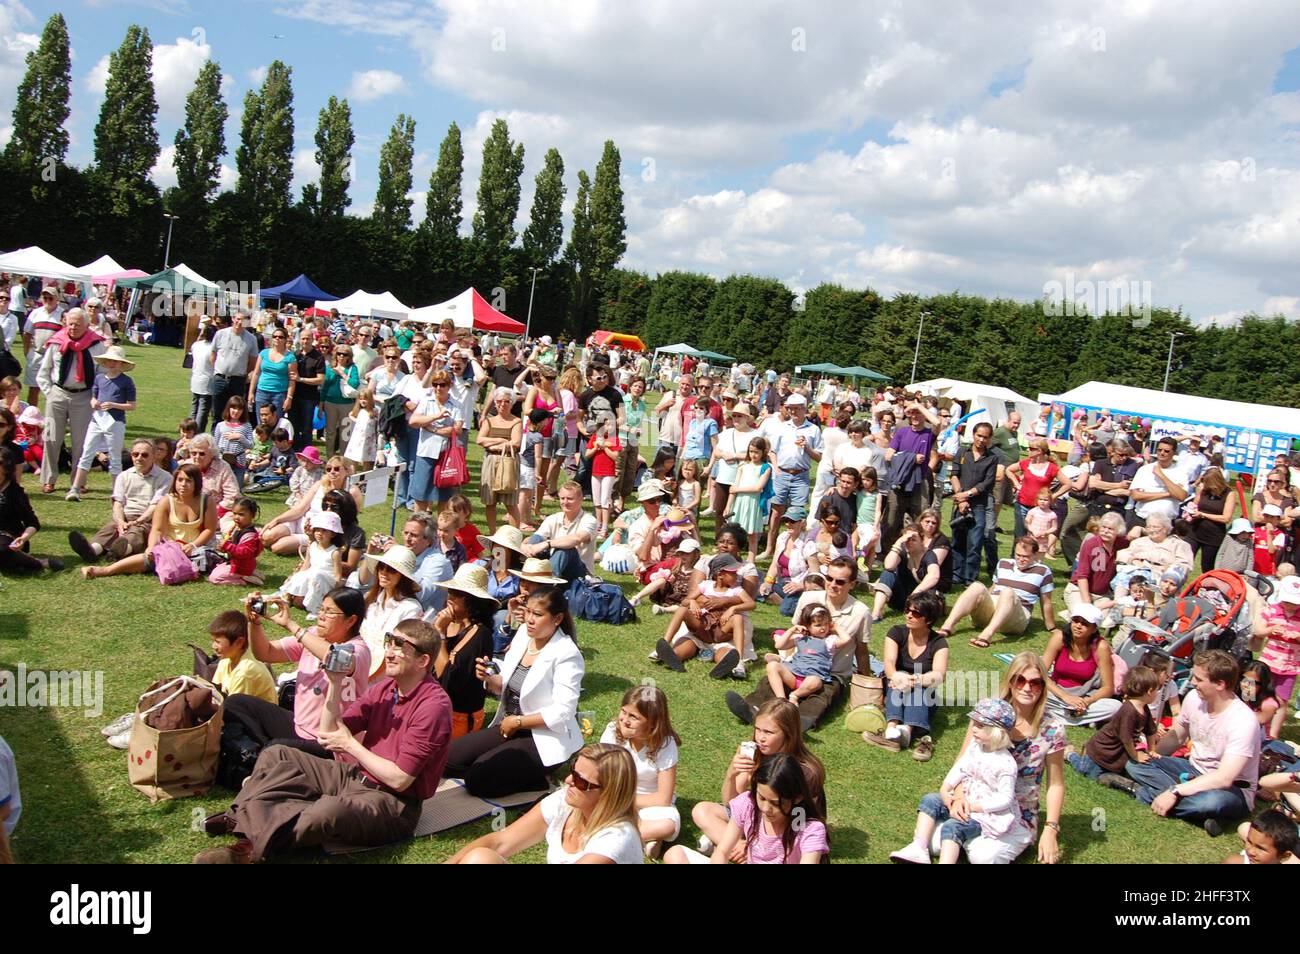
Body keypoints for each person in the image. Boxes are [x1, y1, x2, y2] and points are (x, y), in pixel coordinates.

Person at [196, 618, 451, 863]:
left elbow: (400, 778)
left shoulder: (432, 707)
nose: (390, 652)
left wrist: (351, 745)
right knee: (279, 754)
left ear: (423, 660)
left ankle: (245, 849)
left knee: (327, 811)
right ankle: (239, 816)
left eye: (401, 646)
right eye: (390, 642)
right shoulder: (386, 689)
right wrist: (335, 684)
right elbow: (327, 733)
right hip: (355, 776)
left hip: (395, 804)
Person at [444, 586, 584, 798]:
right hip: (510, 725)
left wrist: (518, 722)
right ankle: (497, 766)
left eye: (537, 614)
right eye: (527, 611)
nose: (529, 619)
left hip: (542, 735)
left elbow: (563, 713)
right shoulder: (523, 636)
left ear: (557, 619)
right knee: (448, 759)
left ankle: (537, 780)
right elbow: (506, 683)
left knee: (477, 780)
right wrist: (489, 677)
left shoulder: (567, 654)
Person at [1124, 650, 1260, 835]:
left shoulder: (1243, 721)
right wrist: (1152, 757)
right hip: (1192, 770)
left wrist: (1174, 791)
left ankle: (1142, 792)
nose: (1192, 683)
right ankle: (1199, 812)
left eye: (1198, 679)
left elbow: (1225, 777)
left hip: (1233, 789)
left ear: (1220, 684)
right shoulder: (1194, 698)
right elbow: (1176, 737)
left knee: (1210, 802)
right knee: (1134, 763)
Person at [727, 557, 870, 731]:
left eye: (840, 582)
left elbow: (862, 651)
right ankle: (752, 708)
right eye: (829, 578)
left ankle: (799, 720)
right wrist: (785, 661)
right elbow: (796, 632)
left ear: (852, 584)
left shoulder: (861, 612)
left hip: (830, 673)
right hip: (799, 664)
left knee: (821, 694)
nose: (832, 584)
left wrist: (865, 687)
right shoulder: (809, 598)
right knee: (770, 681)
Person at [447, 743, 642, 864]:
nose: (568, 781)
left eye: (580, 781)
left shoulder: (617, 838)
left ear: (608, 794)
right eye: (573, 771)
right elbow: (501, 842)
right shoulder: (565, 802)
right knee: (481, 858)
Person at [889, 699, 1018, 865]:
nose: (973, 728)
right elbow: (960, 769)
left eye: (980, 725)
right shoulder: (975, 747)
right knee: (930, 800)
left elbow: (1005, 799)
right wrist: (946, 789)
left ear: (996, 732)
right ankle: (918, 847)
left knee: (953, 826)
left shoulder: (1005, 763)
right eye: (974, 723)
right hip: (963, 802)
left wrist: (974, 807)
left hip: (985, 816)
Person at [693, 699, 827, 857]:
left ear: (788, 734)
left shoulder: (807, 772)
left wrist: (756, 839)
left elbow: (800, 821)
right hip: (757, 818)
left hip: (785, 832)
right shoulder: (755, 753)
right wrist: (732, 775)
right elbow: (732, 805)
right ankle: (739, 849)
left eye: (769, 732)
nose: (760, 738)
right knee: (702, 811)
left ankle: (735, 849)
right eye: (758, 729)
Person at [668, 752, 828, 865]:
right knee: (675, 854)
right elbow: (723, 851)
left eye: (775, 803)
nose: (766, 808)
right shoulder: (748, 804)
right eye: (762, 797)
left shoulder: (805, 827)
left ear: (797, 798)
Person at [81, 462, 217, 580]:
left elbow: (209, 529)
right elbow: (157, 529)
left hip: (196, 547)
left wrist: (193, 545)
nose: (183, 484)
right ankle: (104, 570)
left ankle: (180, 568)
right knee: (151, 557)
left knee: (204, 558)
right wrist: (152, 547)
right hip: (170, 547)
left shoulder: (206, 501)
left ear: (197, 483)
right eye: (180, 480)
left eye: (188, 481)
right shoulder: (166, 501)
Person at [862, 590, 949, 761]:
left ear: (929, 619)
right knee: (898, 677)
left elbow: (940, 675)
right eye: (907, 610)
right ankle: (894, 728)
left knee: (918, 685)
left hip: (924, 695)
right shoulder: (896, 632)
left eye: (916, 613)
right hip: (897, 688)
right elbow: (889, 664)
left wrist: (916, 679)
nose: (909, 615)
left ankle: (902, 732)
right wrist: (898, 677)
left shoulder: (938, 643)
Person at [600, 685, 682, 853]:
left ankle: (612, 833)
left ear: (652, 722)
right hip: (612, 794)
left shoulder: (665, 744)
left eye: (633, 717)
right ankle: (643, 838)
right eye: (623, 712)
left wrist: (624, 801)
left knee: (668, 825)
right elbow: (600, 771)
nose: (624, 720)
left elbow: (663, 798)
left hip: (647, 802)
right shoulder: (612, 731)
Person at [36, 307, 107, 494]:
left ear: (87, 325)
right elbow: (44, 371)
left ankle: (78, 481)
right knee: (51, 437)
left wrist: (95, 395)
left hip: (84, 396)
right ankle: (48, 479)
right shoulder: (56, 342)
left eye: (77, 324)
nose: (73, 327)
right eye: (70, 323)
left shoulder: (97, 345)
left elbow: (102, 373)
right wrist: (49, 392)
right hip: (58, 394)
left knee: (81, 441)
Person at [67, 439, 171, 564]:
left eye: (144, 455)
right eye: (135, 454)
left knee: (137, 532)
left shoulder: (165, 477)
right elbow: (118, 503)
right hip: (126, 516)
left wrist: (138, 521)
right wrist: (121, 521)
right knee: (110, 528)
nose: (139, 458)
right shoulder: (124, 476)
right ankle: (93, 551)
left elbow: (156, 505)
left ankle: (120, 551)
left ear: (154, 456)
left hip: (149, 519)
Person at [655, 553, 756, 679]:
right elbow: (685, 601)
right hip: (703, 628)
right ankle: (665, 647)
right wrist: (692, 602)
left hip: (721, 632)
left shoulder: (736, 590)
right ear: (720, 574)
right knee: (681, 610)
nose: (737, 575)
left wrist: (733, 608)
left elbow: (752, 604)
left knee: (737, 619)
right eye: (733, 572)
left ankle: (738, 662)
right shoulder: (706, 585)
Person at [430, 563, 501, 738]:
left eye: (457, 594)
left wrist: (439, 635)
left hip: (457, 719)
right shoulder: (448, 623)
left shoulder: (480, 634)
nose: (450, 597)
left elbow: (449, 682)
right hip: (433, 708)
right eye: (450, 591)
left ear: (473, 600)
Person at [761, 393, 822, 561]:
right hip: (782, 473)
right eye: (790, 408)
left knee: (798, 514)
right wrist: (776, 469)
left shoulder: (813, 429)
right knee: (776, 513)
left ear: (804, 409)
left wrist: (808, 448)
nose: (793, 412)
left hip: (801, 476)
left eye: (796, 409)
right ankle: (770, 548)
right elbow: (772, 451)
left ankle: (797, 550)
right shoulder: (782, 427)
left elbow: (819, 457)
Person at [870, 508, 952, 622]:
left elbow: (934, 576)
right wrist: (899, 542)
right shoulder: (903, 550)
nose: (909, 542)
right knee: (888, 573)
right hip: (903, 597)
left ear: (921, 540)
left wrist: (914, 595)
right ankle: (876, 613)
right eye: (907, 539)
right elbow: (888, 565)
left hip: (920, 598)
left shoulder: (929, 555)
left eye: (913, 539)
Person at [948, 421, 1000, 585]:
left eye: (985, 437)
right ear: (973, 435)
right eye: (979, 436)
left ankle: (969, 577)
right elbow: (955, 474)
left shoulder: (992, 458)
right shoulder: (963, 452)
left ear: (990, 439)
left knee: (975, 543)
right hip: (960, 503)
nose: (982, 440)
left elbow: (987, 483)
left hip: (978, 504)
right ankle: (956, 574)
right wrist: (960, 496)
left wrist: (967, 494)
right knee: (957, 540)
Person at [881, 403, 938, 552]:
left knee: (920, 516)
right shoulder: (902, 432)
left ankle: (917, 550)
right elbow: (889, 456)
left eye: (918, 414)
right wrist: (911, 458)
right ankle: (886, 550)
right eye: (912, 414)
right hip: (900, 480)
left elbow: (938, 423)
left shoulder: (928, 434)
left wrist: (920, 406)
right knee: (892, 518)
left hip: (919, 481)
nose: (914, 417)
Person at [765, 603, 848, 705]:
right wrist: (792, 630)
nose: (823, 628)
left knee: (816, 681)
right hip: (793, 675)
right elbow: (779, 645)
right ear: (807, 626)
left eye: (826, 624)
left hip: (811, 679)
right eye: (818, 625)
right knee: (772, 666)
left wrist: (836, 627)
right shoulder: (801, 638)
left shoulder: (829, 641)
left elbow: (846, 639)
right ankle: (781, 699)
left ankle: (795, 695)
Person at [520, 481, 599, 582]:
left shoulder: (589, 520)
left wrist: (547, 544)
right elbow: (535, 538)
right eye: (562, 498)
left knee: (566, 549)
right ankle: (525, 578)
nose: (565, 502)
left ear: (580, 499)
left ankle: (546, 584)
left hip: (579, 572)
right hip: (555, 562)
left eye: (570, 499)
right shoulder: (553, 518)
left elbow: (577, 538)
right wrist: (525, 545)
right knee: (536, 539)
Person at [0, 447, 62, 573]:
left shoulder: (15, 493)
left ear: (6, 468)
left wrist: (23, 538)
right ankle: (17, 564)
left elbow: (33, 523)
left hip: (8, 537)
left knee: (2, 549)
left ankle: (36, 563)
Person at [277, 509, 343, 616]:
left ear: (333, 534)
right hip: (311, 576)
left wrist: (337, 593)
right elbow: (306, 566)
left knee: (316, 575)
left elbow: (337, 575)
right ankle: (288, 596)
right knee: (303, 574)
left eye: (324, 531)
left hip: (326, 580)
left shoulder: (334, 552)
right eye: (317, 530)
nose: (319, 534)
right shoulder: (312, 546)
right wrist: (296, 577)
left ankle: (315, 609)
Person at [1256, 574, 1300, 728]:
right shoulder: (1272, 610)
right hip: (1268, 662)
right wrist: (1270, 630)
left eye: (1295, 603)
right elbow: (1258, 630)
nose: (1291, 606)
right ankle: (1258, 725)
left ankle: (1273, 734)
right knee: (1261, 695)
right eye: (1288, 602)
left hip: (1290, 666)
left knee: (1281, 700)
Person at [207, 609, 278, 704]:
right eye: (214, 641)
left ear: (239, 642)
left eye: (218, 642)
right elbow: (215, 694)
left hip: (257, 717)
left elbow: (233, 709)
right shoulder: (226, 661)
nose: (214, 646)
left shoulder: (244, 672)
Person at [477, 386, 522, 533]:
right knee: (490, 501)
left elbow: (515, 443)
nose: (503, 404)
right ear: (495, 403)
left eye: (507, 401)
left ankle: (513, 535)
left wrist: (490, 441)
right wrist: (501, 440)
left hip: (508, 461)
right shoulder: (489, 421)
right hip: (490, 461)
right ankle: (492, 533)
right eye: (499, 401)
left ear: (512, 403)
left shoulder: (516, 421)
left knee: (510, 502)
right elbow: (479, 440)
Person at [208, 310, 258, 437]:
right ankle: (215, 439)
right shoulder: (220, 334)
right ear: (233, 318)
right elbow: (213, 355)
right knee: (217, 412)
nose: (239, 322)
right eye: (237, 319)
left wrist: (243, 374)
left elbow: (252, 362)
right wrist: (219, 370)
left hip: (237, 380)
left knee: (235, 413)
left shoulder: (251, 339)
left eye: (242, 320)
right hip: (219, 378)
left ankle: (231, 439)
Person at [1128, 436, 1189, 528]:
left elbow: (1181, 496)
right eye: (1159, 450)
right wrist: (1169, 493)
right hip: (1142, 520)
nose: (1162, 453)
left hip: (1166, 524)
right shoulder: (1145, 470)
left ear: (1174, 452)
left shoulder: (1180, 472)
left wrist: (1161, 475)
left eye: (1166, 451)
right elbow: (1136, 495)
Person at [1188, 466, 1236, 573]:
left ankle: (1206, 588)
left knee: (1207, 567)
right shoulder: (1204, 490)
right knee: (1185, 560)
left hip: (1213, 536)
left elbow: (1226, 518)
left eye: (1207, 482)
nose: (1205, 485)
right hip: (1194, 531)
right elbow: (1195, 505)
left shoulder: (1229, 494)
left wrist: (1203, 515)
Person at [246, 325, 297, 424]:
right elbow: (256, 373)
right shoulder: (263, 353)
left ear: (285, 340)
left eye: (280, 337)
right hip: (262, 392)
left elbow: (292, 379)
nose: (277, 338)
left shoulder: (290, 357)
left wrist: (289, 398)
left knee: (276, 422)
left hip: (279, 394)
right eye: (275, 336)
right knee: (261, 422)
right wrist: (251, 393)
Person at [209, 496, 265, 586]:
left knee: (214, 578)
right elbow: (235, 546)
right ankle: (251, 573)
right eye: (234, 513)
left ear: (252, 515)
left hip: (241, 566)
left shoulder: (250, 535)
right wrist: (224, 548)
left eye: (241, 514)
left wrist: (228, 546)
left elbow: (244, 552)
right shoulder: (238, 528)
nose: (236, 517)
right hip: (235, 562)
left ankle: (244, 580)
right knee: (215, 570)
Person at [321, 340, 360, 457]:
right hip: (330, 403)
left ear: (349, 356)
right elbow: (324, 386)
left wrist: (342, 374)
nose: (341, 356)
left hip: (347, 404)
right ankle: (330, 457)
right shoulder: (329, 368)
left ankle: (343, 458)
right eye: (339, 353)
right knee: (330, 432)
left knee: (345, 433)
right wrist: (321, 403)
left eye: (344, 354)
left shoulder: (352, 368)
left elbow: (355, 383)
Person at [289, 331, 326, 452]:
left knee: (306, 427)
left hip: (309, 397)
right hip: (294, 396)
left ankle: (307, 452)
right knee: (293, 425)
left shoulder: (318, 357)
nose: (305, 341)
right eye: (303, 338)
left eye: (308, 339)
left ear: (312, 340)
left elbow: (320, 379)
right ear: (300, 340)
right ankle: (295, 452)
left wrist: (301, 379)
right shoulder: (296, 355)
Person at [188, 325, 217, 432]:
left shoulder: (196, 345)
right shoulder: (213, 349)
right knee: (203, 409)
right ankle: (198, 431)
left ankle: (189, 429)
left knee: (194, 407)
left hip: (196, 378)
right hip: (207, 380)